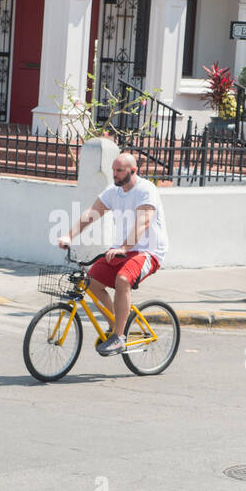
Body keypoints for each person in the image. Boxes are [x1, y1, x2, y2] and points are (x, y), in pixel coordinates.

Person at [58, 151, 168, 356]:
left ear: (133, 171)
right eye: (113, 170)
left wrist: (125, 248)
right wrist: (69, 236)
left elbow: (143, 222)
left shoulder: (146, 190)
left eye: (119, 171)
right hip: (121, 250)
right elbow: (91, 214)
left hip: (148, 251)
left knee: (123, 280)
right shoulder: (113, 191)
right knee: (91, 281)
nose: (115, 174)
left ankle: (118, 337)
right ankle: (117, 326)